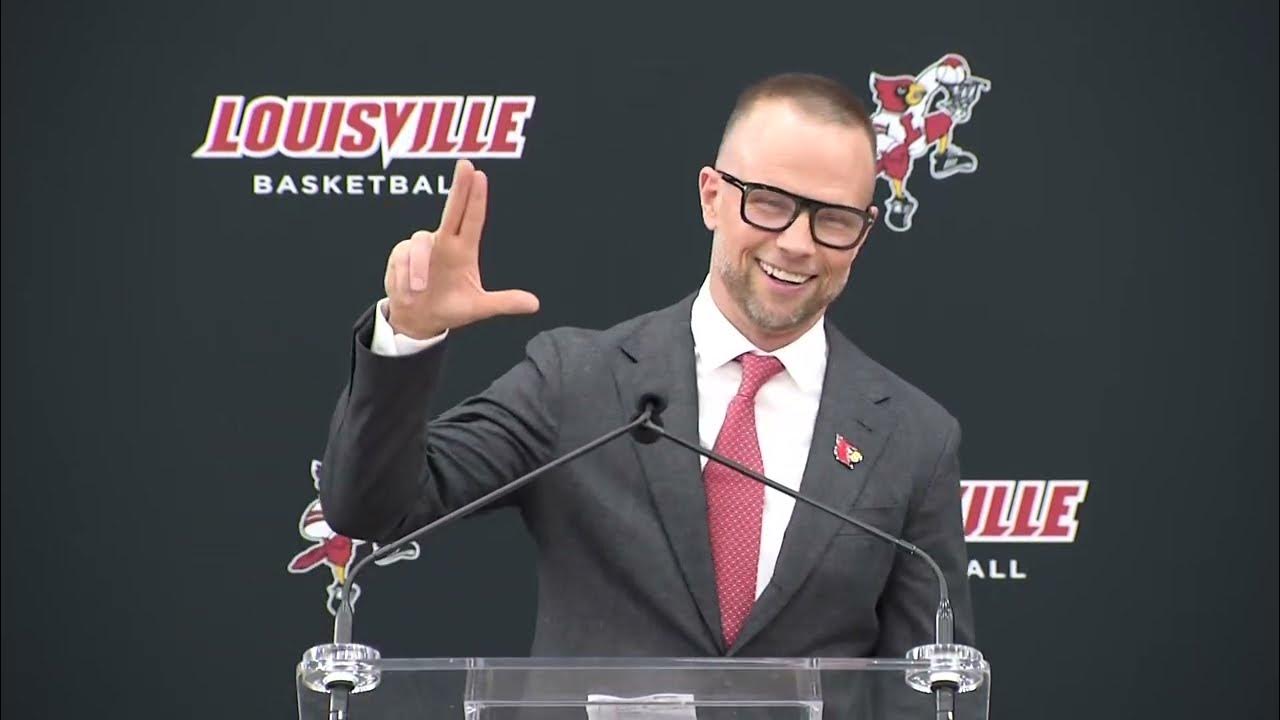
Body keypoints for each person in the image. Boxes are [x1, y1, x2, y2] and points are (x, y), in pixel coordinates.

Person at [319, 72, 975, 661]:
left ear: (862, 234)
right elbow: (369, 509)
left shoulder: (913, 440)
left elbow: (929, 686)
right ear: (712, 196)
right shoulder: (577, 382)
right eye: (769, 202)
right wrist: (409, 332)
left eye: (832, 219)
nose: (797, 243)